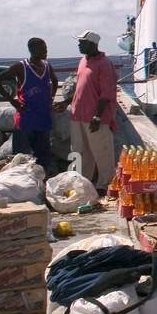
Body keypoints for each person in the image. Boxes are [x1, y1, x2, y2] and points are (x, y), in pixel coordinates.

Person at [55, 30, 117, 192]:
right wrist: (66, 102)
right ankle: (83, 183)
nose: (79, 45)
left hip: (95, 117)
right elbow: (80, 88)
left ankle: (105, 185)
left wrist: (97, 116)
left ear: (92, 44)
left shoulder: (104, 64)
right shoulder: (83, 61)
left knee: (102, 152)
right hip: (78, 115)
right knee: (80, 152)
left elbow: (106, 93)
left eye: (82, 42)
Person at [0, 37, 57, 172]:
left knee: (43, 158)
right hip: (25, 120)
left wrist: (51, 97)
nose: (46, 51)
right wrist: (12, 100)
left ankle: (40, 186)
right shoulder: (21, 67)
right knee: (22, 159)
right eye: (43, 48)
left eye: (46, 48)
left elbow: (55, 81)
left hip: (43, 119)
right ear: (32, 50)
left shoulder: (46, 66)